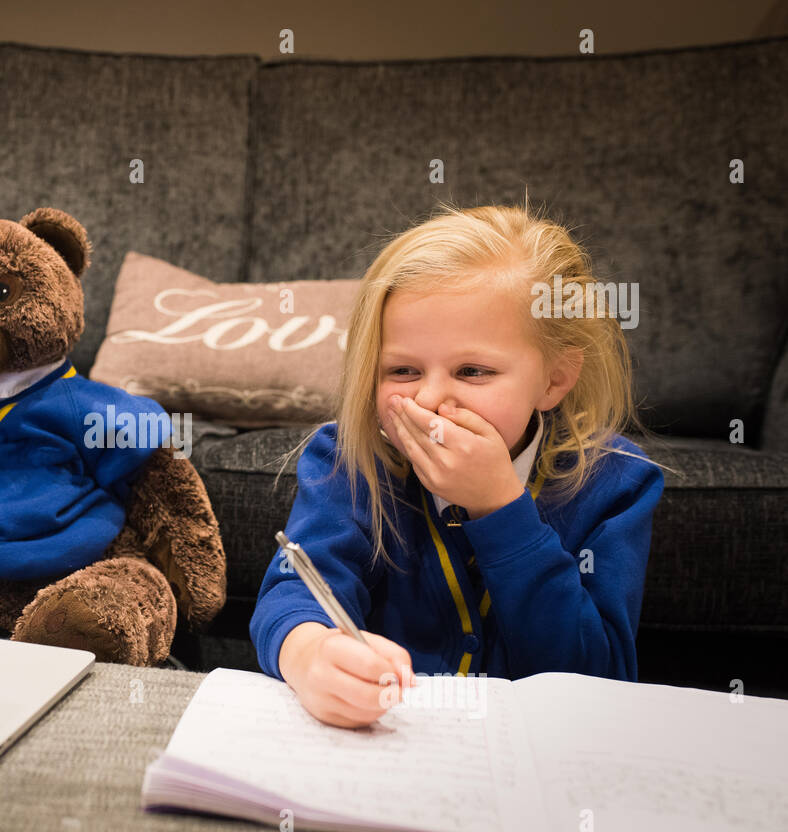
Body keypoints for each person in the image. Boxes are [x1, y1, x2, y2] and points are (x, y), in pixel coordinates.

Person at [250, 201, 672, 729]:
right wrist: (309, 653)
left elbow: (594, 675)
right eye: (402, 370)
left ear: (554, 379)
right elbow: (293, 595)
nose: (428, 399)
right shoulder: (352, 459)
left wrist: (501, 508)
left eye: (472, 371)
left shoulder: (616, 483)